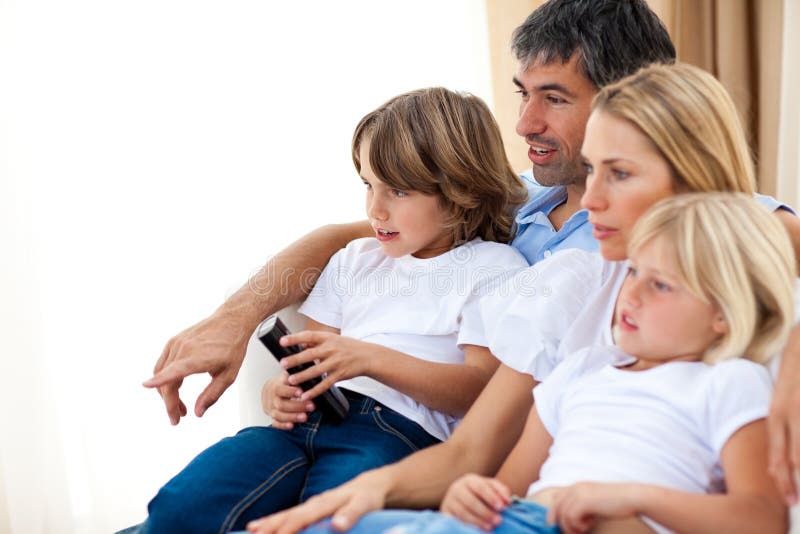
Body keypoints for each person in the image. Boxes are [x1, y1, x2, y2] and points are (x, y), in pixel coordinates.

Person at [143, 0, 800, 517]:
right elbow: (346, 239)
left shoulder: (710, 218)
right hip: (480, 467)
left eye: (554, 97)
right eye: (522, 93)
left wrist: (793, 359)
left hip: (470, 452)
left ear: (635, 98)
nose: (524, 123)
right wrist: (234, 318)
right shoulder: (516, 203)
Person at [140, 87, 530, 532]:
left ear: (461, 188)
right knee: (181, 507)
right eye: (368, 184)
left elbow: (478, 390)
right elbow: (308, 361)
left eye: (398, 191)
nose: (374, 208)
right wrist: (278, 393)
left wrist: (370, 359)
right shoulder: (354, 259)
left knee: (331, 521)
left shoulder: (495, 268)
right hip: (302, 425)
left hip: (396, 436)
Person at [297, 193, 795, 534]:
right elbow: (505, 489)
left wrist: (632, 499)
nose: (632, 293)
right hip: (525, 521)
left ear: (724, 315)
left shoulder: (731, 382)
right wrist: (470, 495)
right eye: (636, 272)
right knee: (328, 523)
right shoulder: (581, 371)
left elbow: (763, 518)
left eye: (661, 285)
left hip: (597, 523)